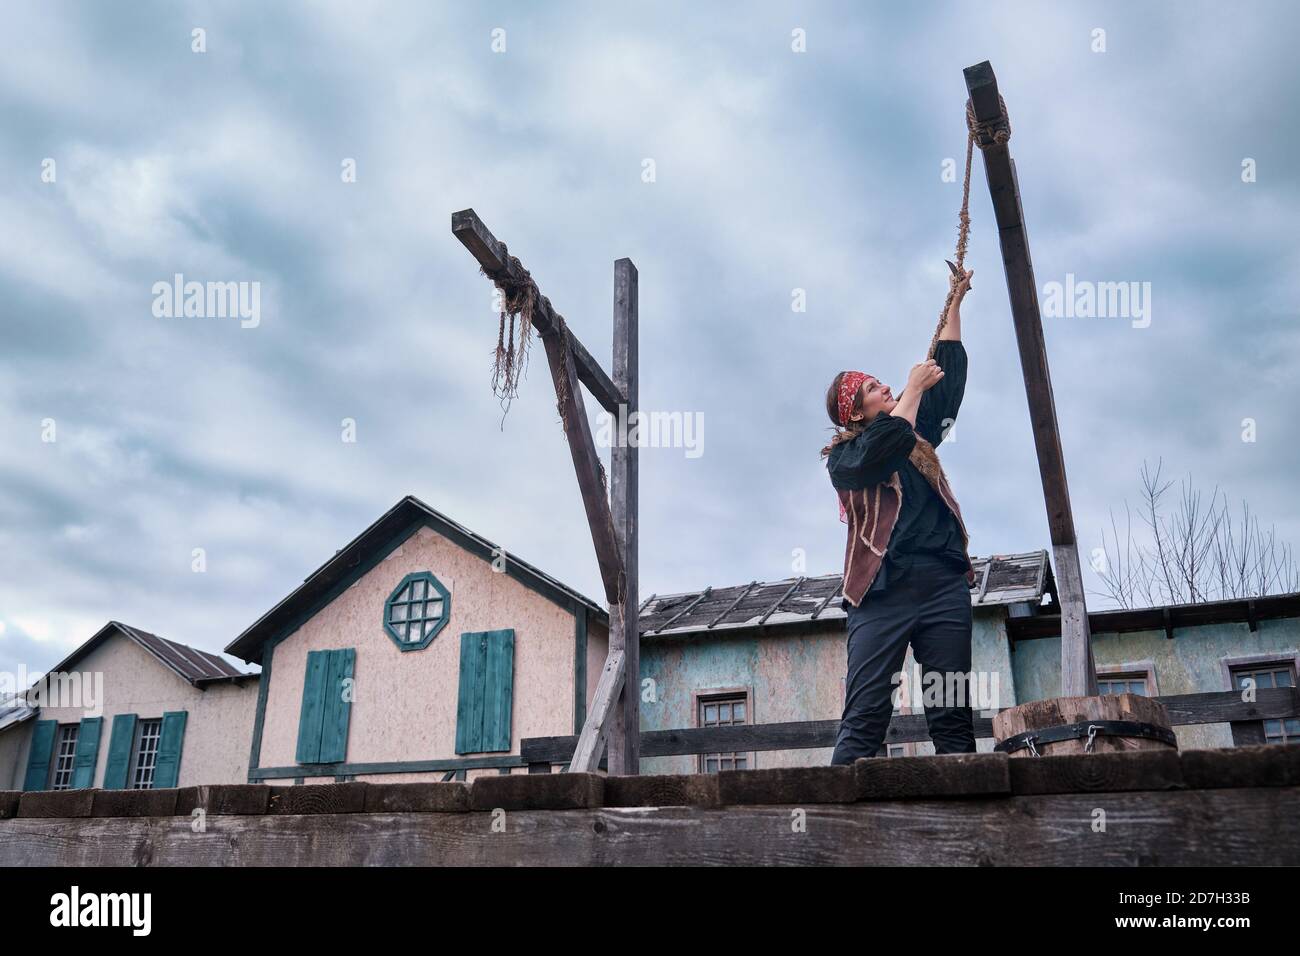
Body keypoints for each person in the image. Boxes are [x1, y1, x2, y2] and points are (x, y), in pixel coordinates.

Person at [822, 268, 979, 763]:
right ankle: (831, 829)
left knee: (950, 714)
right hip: (880, 593)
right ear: (854, 413)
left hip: (941, 584)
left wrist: (954, 302)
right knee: (866, 715)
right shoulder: (844, 460)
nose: (884, 385)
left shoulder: (917, 434)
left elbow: (946, 386)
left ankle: (969, 828)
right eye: (872, 387)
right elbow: (884, 446)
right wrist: (910, 392)